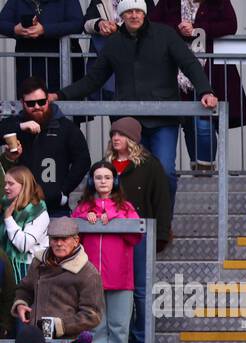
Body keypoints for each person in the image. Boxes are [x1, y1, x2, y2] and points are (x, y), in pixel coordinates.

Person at [54, 0, 216, 200]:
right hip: (128, 123)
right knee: (130, 177)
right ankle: (134, 226)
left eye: (138, 11)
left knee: (164, 172)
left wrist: (205, 92)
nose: (134, 15)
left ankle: (163, 227)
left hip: (163, 121)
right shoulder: (114, 43)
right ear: (121, 16)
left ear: (145, 13)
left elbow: (189, 64)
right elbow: (93, 80)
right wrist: (61, 95)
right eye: (128, 11)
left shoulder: (165, 34)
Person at [150, 0, 246, 173]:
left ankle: (205, 165)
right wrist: (178, 30)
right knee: (188, 122)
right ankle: (199, 167)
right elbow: (154, 24)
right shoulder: (168, 2)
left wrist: (197, 28)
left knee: (204, 120)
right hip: (174, 71)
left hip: (211, 70)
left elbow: (230, 25)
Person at [104, 117, 169, 343]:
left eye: (121, 134)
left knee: (141, 289)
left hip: (140, 235)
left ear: (132, 138)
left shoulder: (150, 165)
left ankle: (141, 339)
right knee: (115, 288)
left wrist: (161, 233)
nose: (116, 138)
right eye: (113, 134)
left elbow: (161, 200)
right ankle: (119, 338)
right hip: (111, 236)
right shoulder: (105, 165)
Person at [73, 162, 141, 343]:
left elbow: (135, 237)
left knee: (120, 325)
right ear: (92, 181)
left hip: (121, 277)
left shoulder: (126, 207)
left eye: (107, 177)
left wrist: (112, 215)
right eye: (99, 177)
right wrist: (85, 219)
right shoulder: (83, 207)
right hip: (91, 279)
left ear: (115, 181)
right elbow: (72, 238)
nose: (103, 181)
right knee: (96, 325)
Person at [0, 78, 90, 217]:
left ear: (48, 100)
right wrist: (21, 126)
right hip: (20, 208)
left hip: (54, 208)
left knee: (60, 239)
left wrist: (63, 192)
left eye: (41, 102)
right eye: (30, 103)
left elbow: (83, 161)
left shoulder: (66, 128)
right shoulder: (15, 125)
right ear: (22, 103)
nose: (37, 106)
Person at [13, 217, 104, 340]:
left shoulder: (88, 272)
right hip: (34, 338)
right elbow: (25, 289)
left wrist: (60, 326)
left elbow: (92, 315)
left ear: (76, 241)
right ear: (49, 241)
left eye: (64, 239)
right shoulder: (38, 262)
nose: (59, 243)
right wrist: (21, 304)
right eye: (55, 239)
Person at [0, 0, 84, 92]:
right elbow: (2, 22)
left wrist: (45, 30)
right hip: (29, 66)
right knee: (32, 101)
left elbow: (77, 24)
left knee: (66, 102)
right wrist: (15, 29)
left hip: (63, 65)